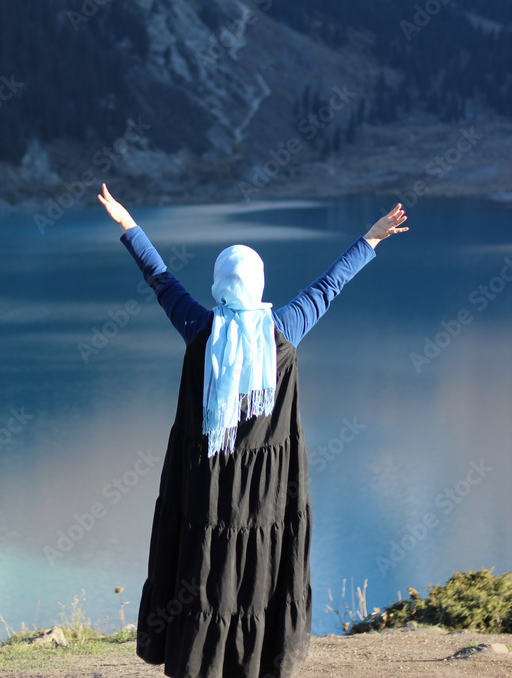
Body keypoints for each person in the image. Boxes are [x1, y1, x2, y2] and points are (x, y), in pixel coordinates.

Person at [98, 183, 408, 678]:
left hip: (206, 486)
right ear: (258, 283)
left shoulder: (200, 330)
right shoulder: (284, 329)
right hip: (266, 493)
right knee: (259, 573)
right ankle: (255, 662)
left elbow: (161, 279)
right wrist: (370, 238)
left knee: (204, 572)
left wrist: (129, 225)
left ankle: (201, 662)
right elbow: (331, 285)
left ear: (221, 283)